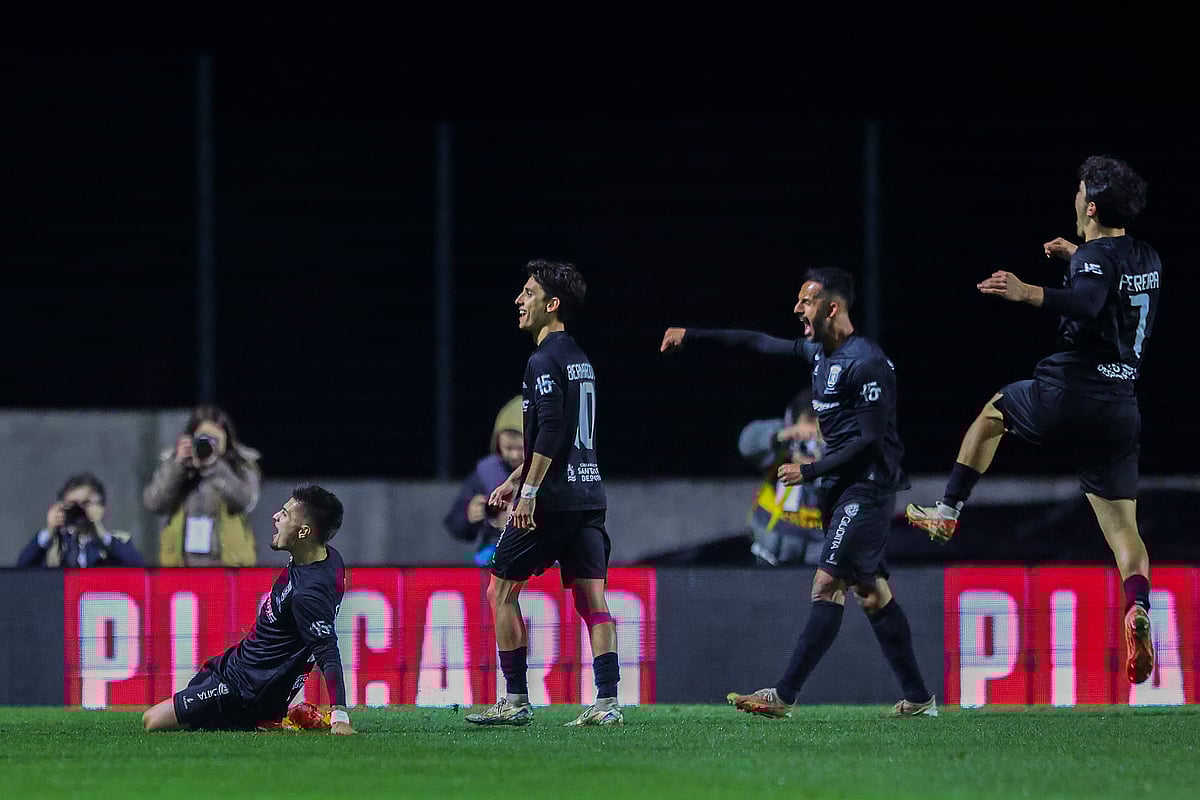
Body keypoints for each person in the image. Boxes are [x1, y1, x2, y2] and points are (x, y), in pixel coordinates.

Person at [905, 154, 1160, 685]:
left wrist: (1026, 291)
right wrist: (1079, 256)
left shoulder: (1094, 258)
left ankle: (948, 510)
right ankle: (1138, 608)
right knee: (1123, 532)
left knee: (991, 413)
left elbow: (1090, 304)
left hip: (1069, 392)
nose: (1074, 197)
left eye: (1079, 190)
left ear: (1090, 206)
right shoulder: (1147, 257)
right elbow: (1108, 288)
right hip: (1120, 407)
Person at [661, 266, 937, 718]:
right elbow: (756, 341)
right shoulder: (819, 354)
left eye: (805, 301)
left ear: (832, 308)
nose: (797, 309)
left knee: (827, 583)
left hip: (867, 489)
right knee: (872, 592)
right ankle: (920, 699)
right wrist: (692, 334)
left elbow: (867, 441)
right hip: (841, 490)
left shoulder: (866, 363)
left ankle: (784, 694)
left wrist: (809, 471)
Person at [465, 259, 620, 728]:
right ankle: (608, 703)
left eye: (528, 292)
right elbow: (567, 432)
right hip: (589, 494)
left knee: (499, 590)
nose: (519, 300)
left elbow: (552, 428)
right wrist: (514, 480)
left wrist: (528, 491)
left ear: (552, 305)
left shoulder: (543, 358)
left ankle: (514, 700)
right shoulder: (579, 357)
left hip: (552, 500)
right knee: (593, 600)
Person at [142, 484, 353, 734]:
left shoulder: (308, 594)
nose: (275, 517)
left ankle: (258, 718)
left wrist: (340, 715)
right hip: (234, 664)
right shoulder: (328, 558)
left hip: (244, 689)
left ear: (304, 532)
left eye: (285, 514)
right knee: (192, 699)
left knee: (152, 721)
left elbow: (327, 650)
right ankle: (269, 717)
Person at [143, 405, 262, 566]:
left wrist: (216, 467)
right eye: (204, 439)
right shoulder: (177, 463)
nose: (208, 445)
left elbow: (247, 501)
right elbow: (154, 503)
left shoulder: (240, 464)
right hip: (181, 565)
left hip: (227, 566)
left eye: (215, 440)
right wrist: (178, 466)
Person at [738, 389, 827, 566]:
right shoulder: (779, 453)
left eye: (817, 440)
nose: (809, 448)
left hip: (816, 558)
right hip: (770, 553)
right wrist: (779, 436)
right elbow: (747, 443)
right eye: (805, 439)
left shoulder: (840, 463)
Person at [443, 395, 524, 566]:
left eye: (520, 448)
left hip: (539, 553)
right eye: (508, 448)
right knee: (485, 560)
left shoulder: (549, 472)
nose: (514, 455)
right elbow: (454, 524)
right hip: (494, 549)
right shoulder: (486, 472)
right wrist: (469, 514)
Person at [17, 472, 143, 568]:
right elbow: (21, 570)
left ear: (101, 507)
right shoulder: (55, 545)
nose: (79, 510)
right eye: (73, 504)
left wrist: (101, 534)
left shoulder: (114, 542)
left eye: (86, 503)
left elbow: (138, 566)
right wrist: (49, 531)